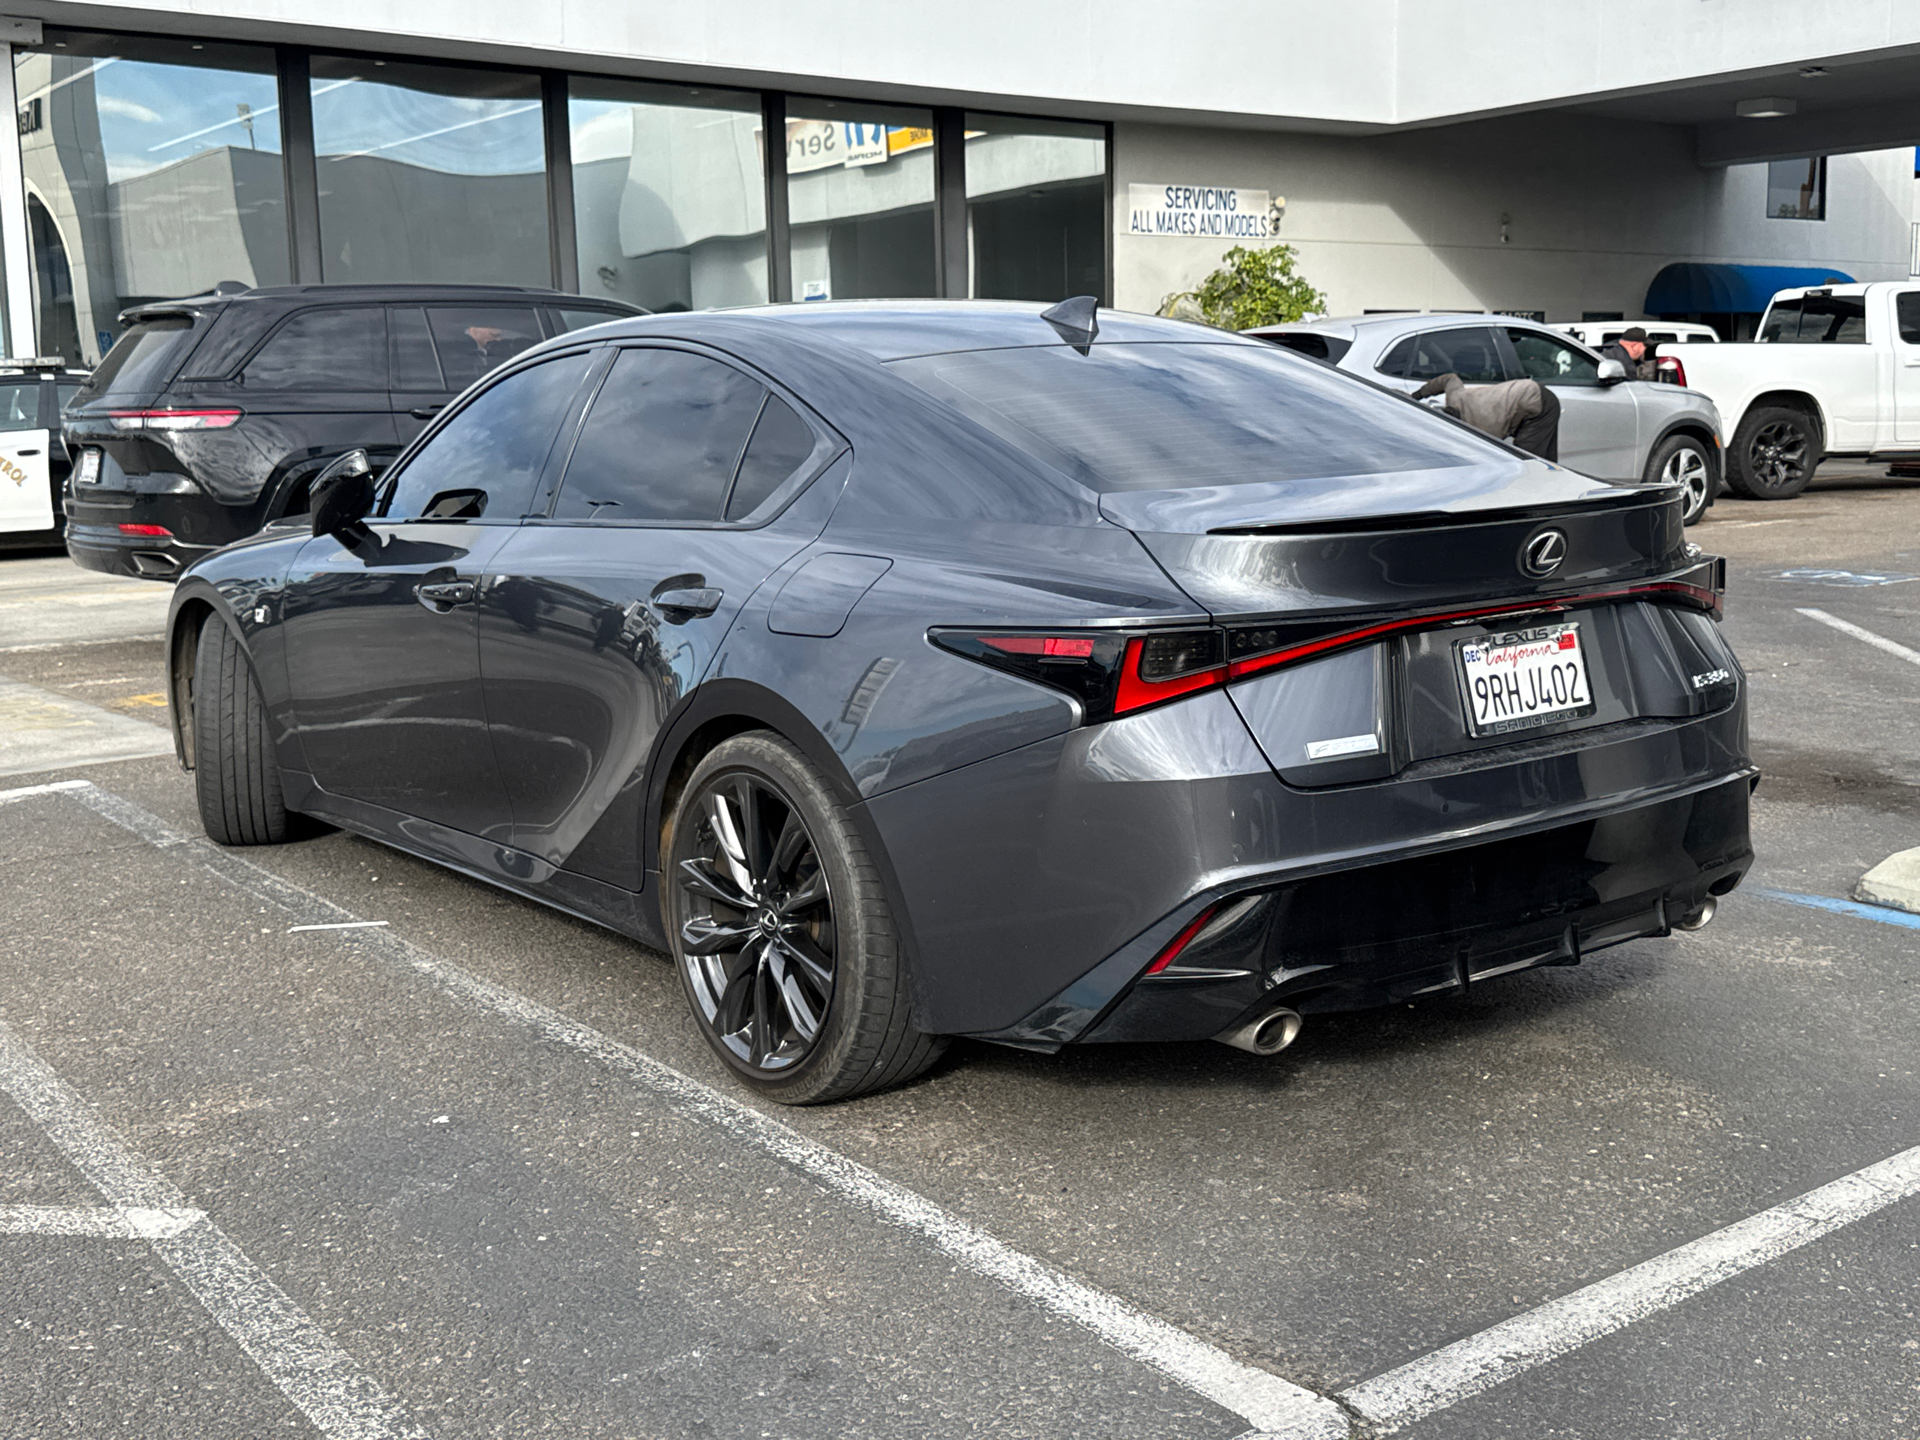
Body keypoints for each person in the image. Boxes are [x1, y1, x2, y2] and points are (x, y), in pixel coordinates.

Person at [1411, 372, 1561, 462]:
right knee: (1546, 459)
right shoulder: (1455, 399)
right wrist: (1417, 396)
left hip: (1537, 404)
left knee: (1528, 461)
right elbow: (1449, 378)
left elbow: (1491, 458)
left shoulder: (1478, 432)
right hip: (1529, 391)